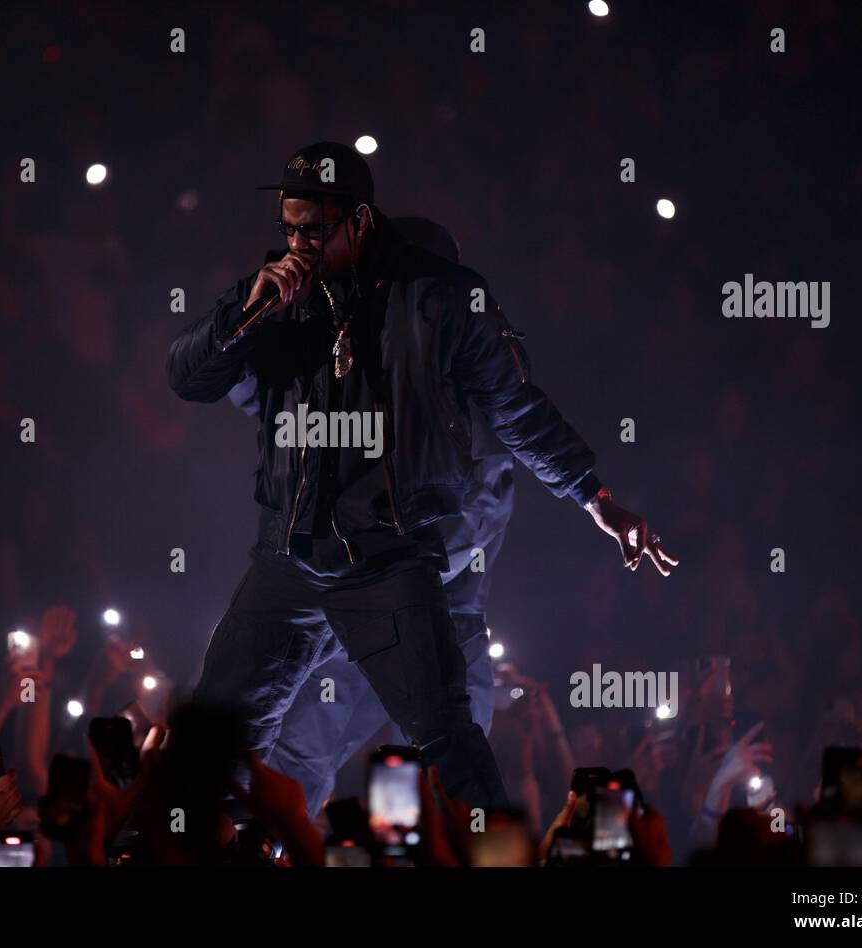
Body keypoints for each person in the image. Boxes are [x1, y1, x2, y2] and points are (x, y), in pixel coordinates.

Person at [168, 141, 676, 809]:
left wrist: (595, 497)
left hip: (386, 558)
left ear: (360, 220)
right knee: (219, 741)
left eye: (313, 231)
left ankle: (497, 854)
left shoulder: (437, 298)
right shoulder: (275, 294)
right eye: (288, 229)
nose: (298, 245)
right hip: (288, 557)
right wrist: (237, 319)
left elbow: (514, 406)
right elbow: (187, 378)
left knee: (447, 737)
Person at [229, 217, 513, 816]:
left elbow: (467, 527)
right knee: (300, 761)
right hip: (357, 626)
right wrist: (259, 328)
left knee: (451, 789)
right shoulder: (360, 364)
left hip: (435, 630)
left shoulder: (469, 389)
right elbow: (256, 392)